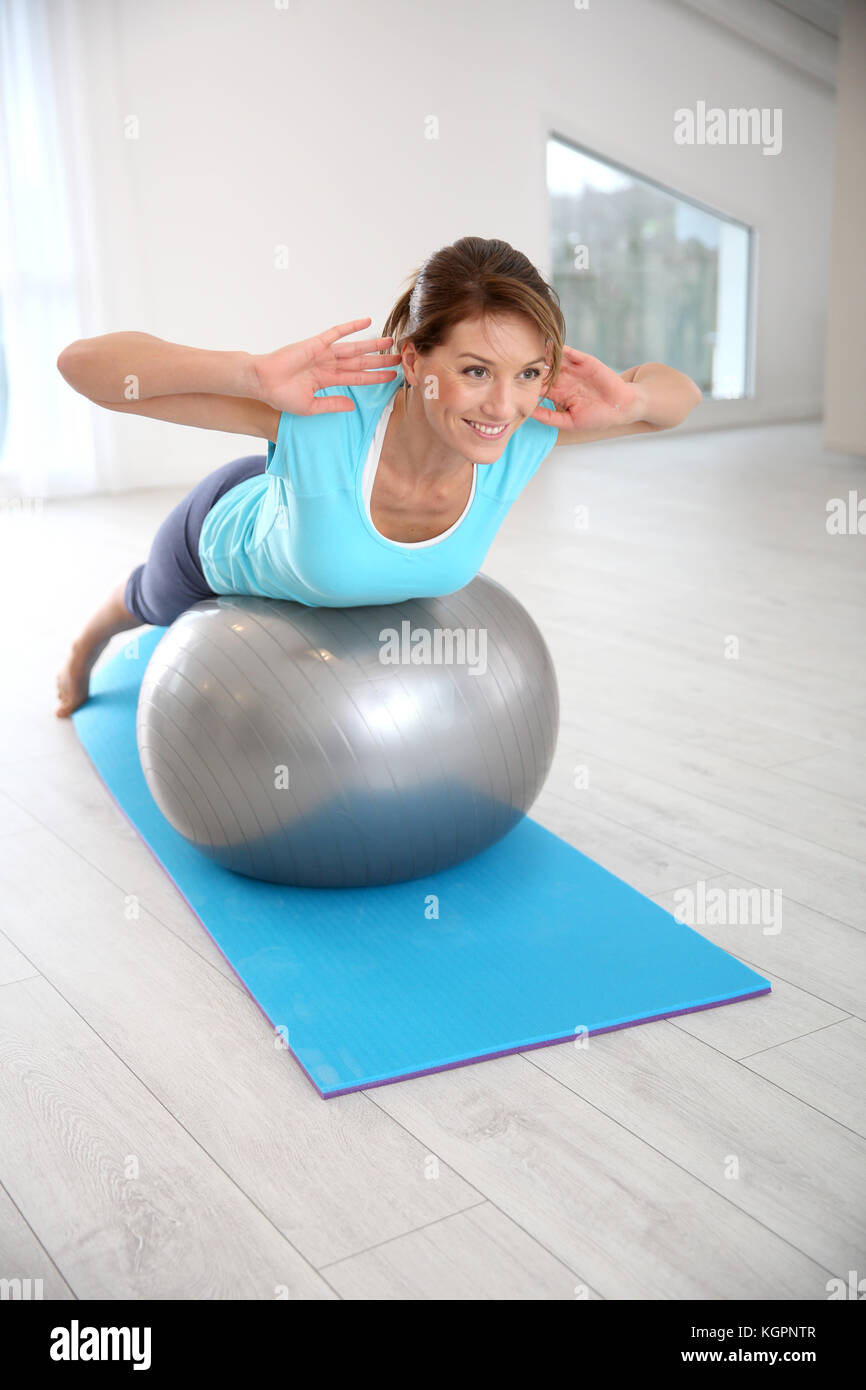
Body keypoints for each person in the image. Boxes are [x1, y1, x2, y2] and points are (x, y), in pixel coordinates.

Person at [54, 235, 702, 716]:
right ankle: (82, 648)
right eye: (476, 371)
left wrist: (634, 401)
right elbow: (84, 367)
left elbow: (682, 397)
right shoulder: (325, 410)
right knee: (148, 602)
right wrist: (249, 373)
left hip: (306, 506)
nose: (504, 407)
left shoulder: (533, 425)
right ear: (415, 359)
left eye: (529, 373)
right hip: (226, 527)